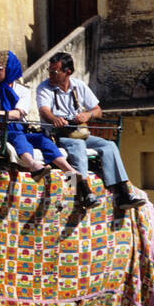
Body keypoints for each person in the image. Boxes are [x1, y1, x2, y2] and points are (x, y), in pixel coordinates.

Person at [0, 51, 90, 190]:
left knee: (43, 140)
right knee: (19, 137)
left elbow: (18, 114)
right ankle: (33, 166)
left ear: (9, 68)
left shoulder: (23, 91)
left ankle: (71, 173)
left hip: (20, 128)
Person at [36, 52, 144, 210]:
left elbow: (98, 110)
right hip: (57, 134)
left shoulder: (78, 86)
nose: (51, 75)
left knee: (109, 146)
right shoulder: (44, 87)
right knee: (77, 146)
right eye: (50, 71)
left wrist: (88, 114)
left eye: (55, 71)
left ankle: (122, 192)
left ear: (68, 72)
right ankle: (84, 191)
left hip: (79, 131)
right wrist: (54, 119)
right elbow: (44, 110)